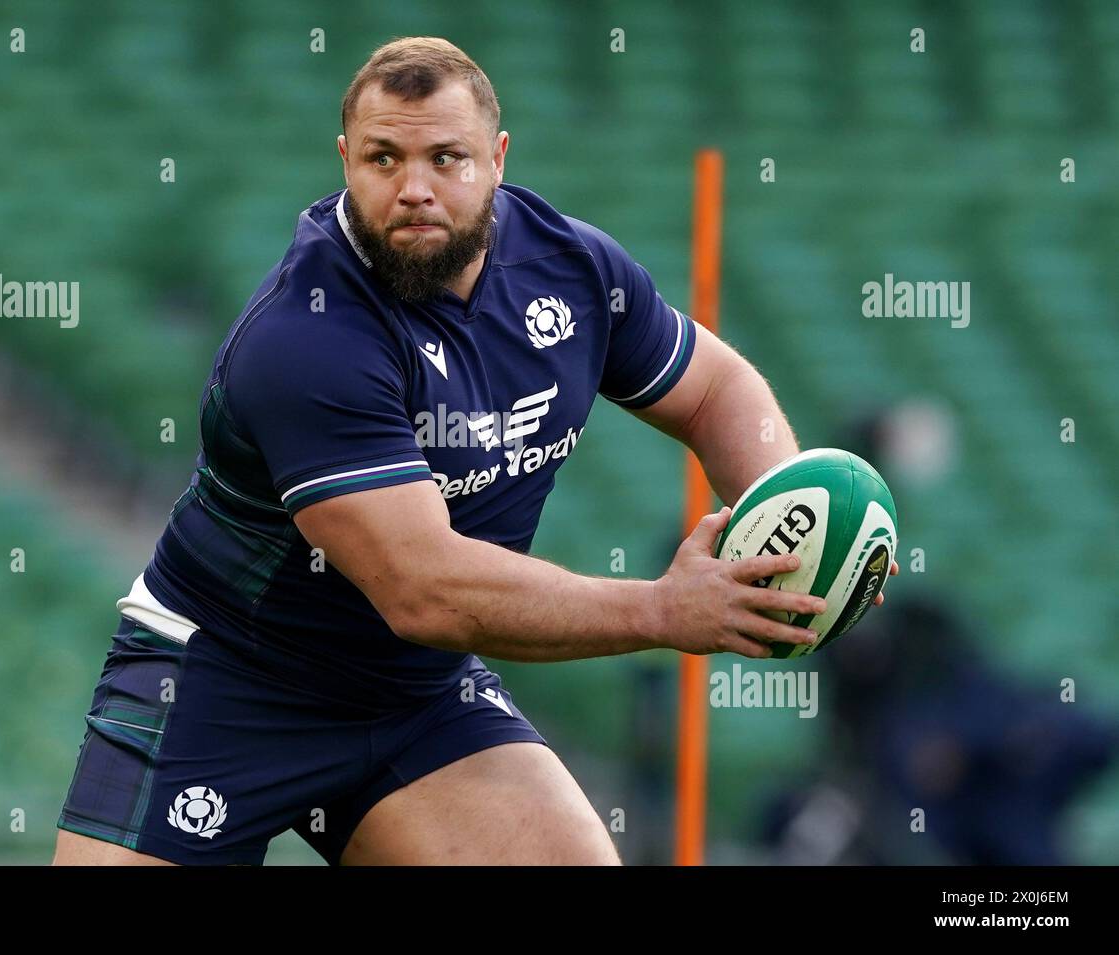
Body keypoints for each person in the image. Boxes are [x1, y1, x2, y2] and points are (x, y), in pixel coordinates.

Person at [52, 36, 892, 867]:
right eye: (383, 158)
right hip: (224, 684)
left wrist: (787, 517)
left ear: (496, 159)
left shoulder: (571, 265)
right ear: (345, 159)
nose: (413, 189)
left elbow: (716, 390)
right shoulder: (307, 337)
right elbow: (425, 591)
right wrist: (664, 610)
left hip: (417, 693)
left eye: (445, 158)